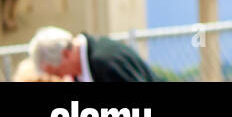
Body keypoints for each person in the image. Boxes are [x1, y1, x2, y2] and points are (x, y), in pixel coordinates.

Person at [27, 26, 158, 82]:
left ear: (65, 54)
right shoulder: (82, 73)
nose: (59, 77)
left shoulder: (107, 61)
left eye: (56, 72)